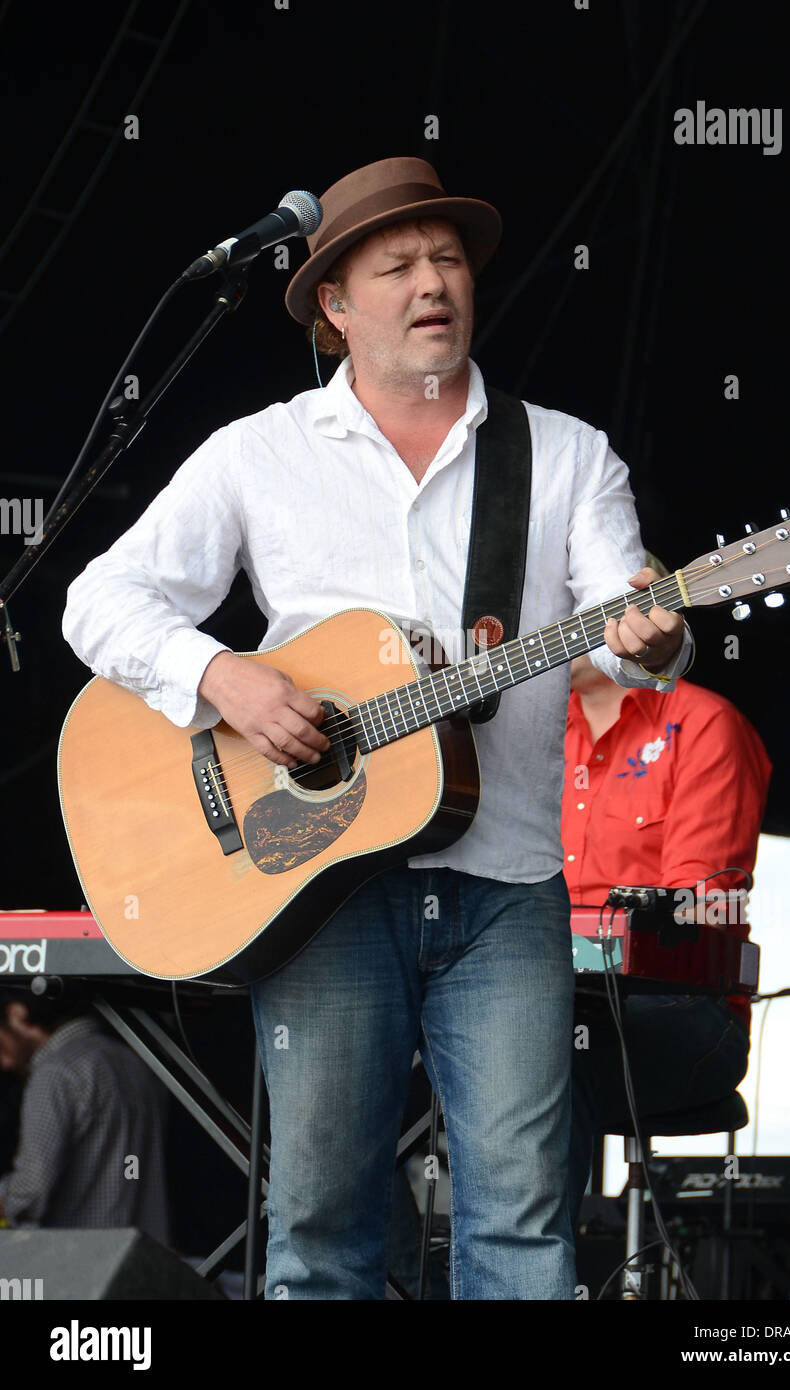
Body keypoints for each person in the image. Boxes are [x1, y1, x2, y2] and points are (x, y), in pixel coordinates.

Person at [62, 156, 693, 1300]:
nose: (429, 281)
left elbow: (620, 618)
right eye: (394, 265)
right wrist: (228, 681)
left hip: (502, 882)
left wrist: (651, 636)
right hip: (318, 890)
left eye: (445, 257)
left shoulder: (561, 454)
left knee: (522, 1218)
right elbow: (97, 602)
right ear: (334, 310)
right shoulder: (258, 453)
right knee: (319, 1227)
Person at [563, 629, 772, 1205]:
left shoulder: (704, 722)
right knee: (375, 1053)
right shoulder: (534, 739)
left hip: (684, 1012)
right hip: (544, 1000)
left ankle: (529, 1276)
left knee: (540, 1053)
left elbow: (694, 913)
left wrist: (559, 946)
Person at [0, 990, 170, 1239]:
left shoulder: (56, 1073)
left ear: (17, 1015)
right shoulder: (132, 1060)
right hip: (144, 1256)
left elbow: (30, 1190)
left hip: (80, 1260)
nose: (4, 1063)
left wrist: (5, 1198)